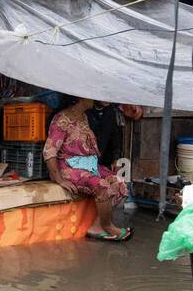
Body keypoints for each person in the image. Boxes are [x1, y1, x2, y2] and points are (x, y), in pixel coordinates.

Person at [44, 96, 131, 242]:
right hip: (69, 168)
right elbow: (49, 152)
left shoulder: (83, 116)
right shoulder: (62, 119)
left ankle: (97, 227)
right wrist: (59, 179)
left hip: (88, 166)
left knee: (120, 182)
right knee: (102, 186)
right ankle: (108, 226)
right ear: (80, 97)